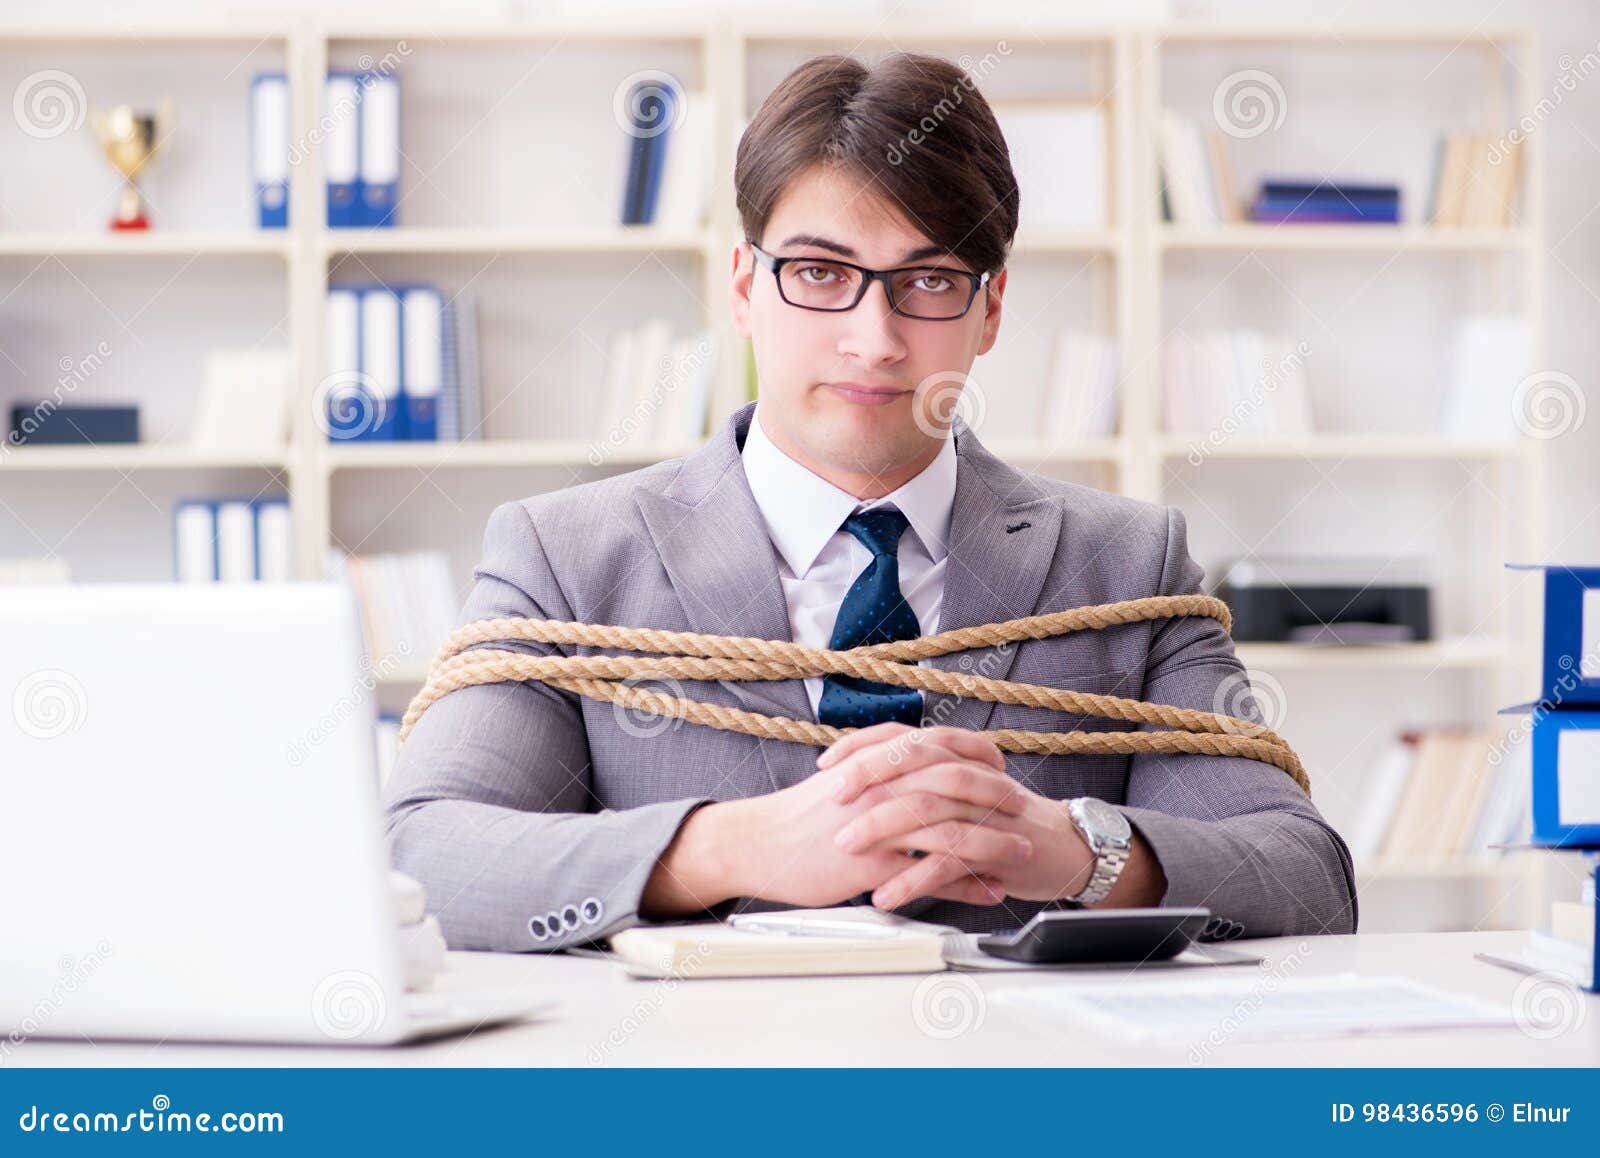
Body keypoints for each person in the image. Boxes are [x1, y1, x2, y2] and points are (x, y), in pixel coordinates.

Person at [384, 52, 1358, 952]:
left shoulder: (1126, 563)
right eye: (819, 273)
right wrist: (725, 849)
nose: (874, 338)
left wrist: (1073, 850)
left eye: (928, 281)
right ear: (742, 288)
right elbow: (421, 855)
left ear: (989, 311)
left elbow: (1303, 878)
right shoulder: (566, 559)